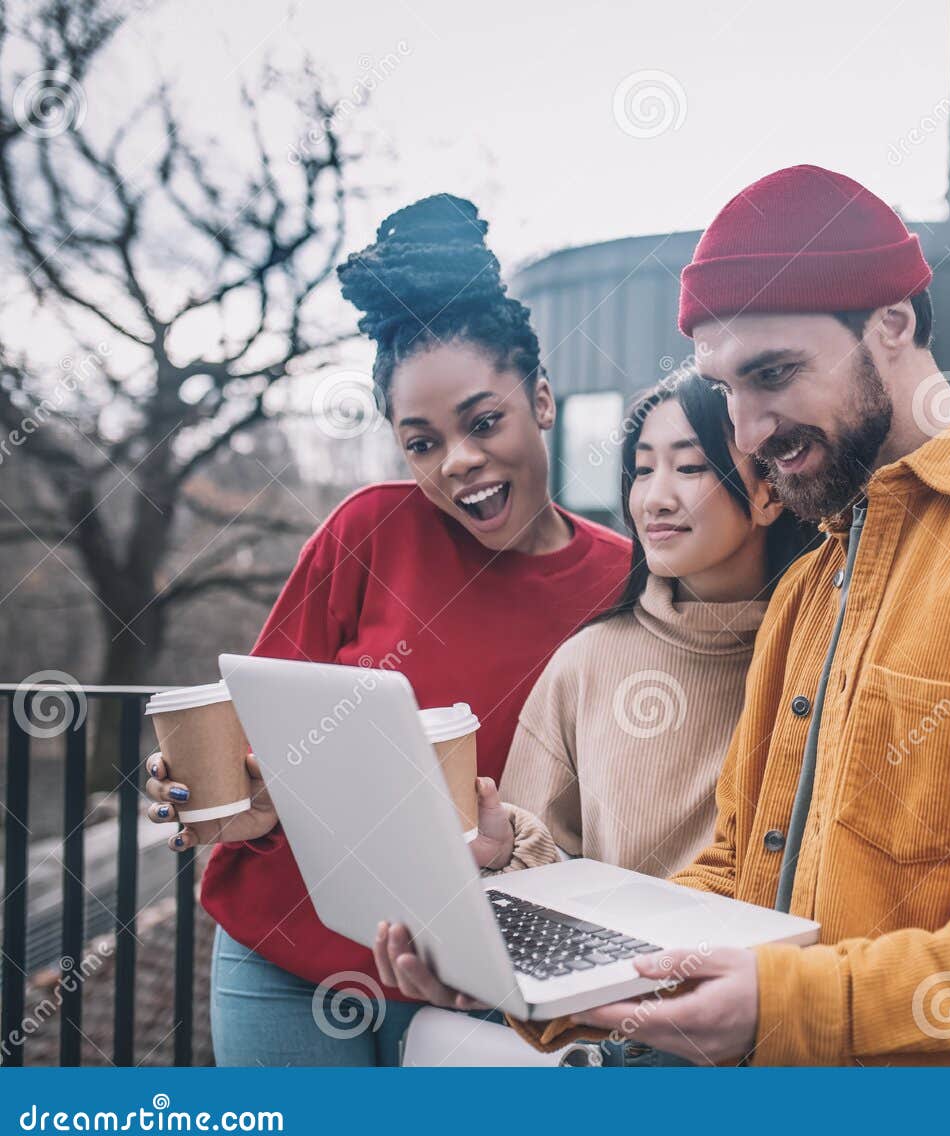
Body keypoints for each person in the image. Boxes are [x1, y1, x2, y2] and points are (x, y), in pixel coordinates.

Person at [379, 164, 950, 1066]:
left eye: (774, 373)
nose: (749, 428)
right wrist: (526, 971)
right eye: (727, 386)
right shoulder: (814, 584)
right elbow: (738, 873)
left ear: (893, 322)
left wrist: (794, 1003)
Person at [142, 193, 632, 1066]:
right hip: (282, 946)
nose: (460, 463)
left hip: (473, 975)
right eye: (423, 442)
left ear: (544, 400)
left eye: (484, 422)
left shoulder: (626, 581)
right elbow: (255, 719)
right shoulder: (369, 531)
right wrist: (219, 794)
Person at [396, 370, 819, 1066]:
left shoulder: (826, 656)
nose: (655, 496)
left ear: (770, 491)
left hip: (786, 1041)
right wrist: (476, 918)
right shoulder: (588, 662)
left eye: (688, 466)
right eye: (641, 469)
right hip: (621, 1047)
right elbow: (525, 878)